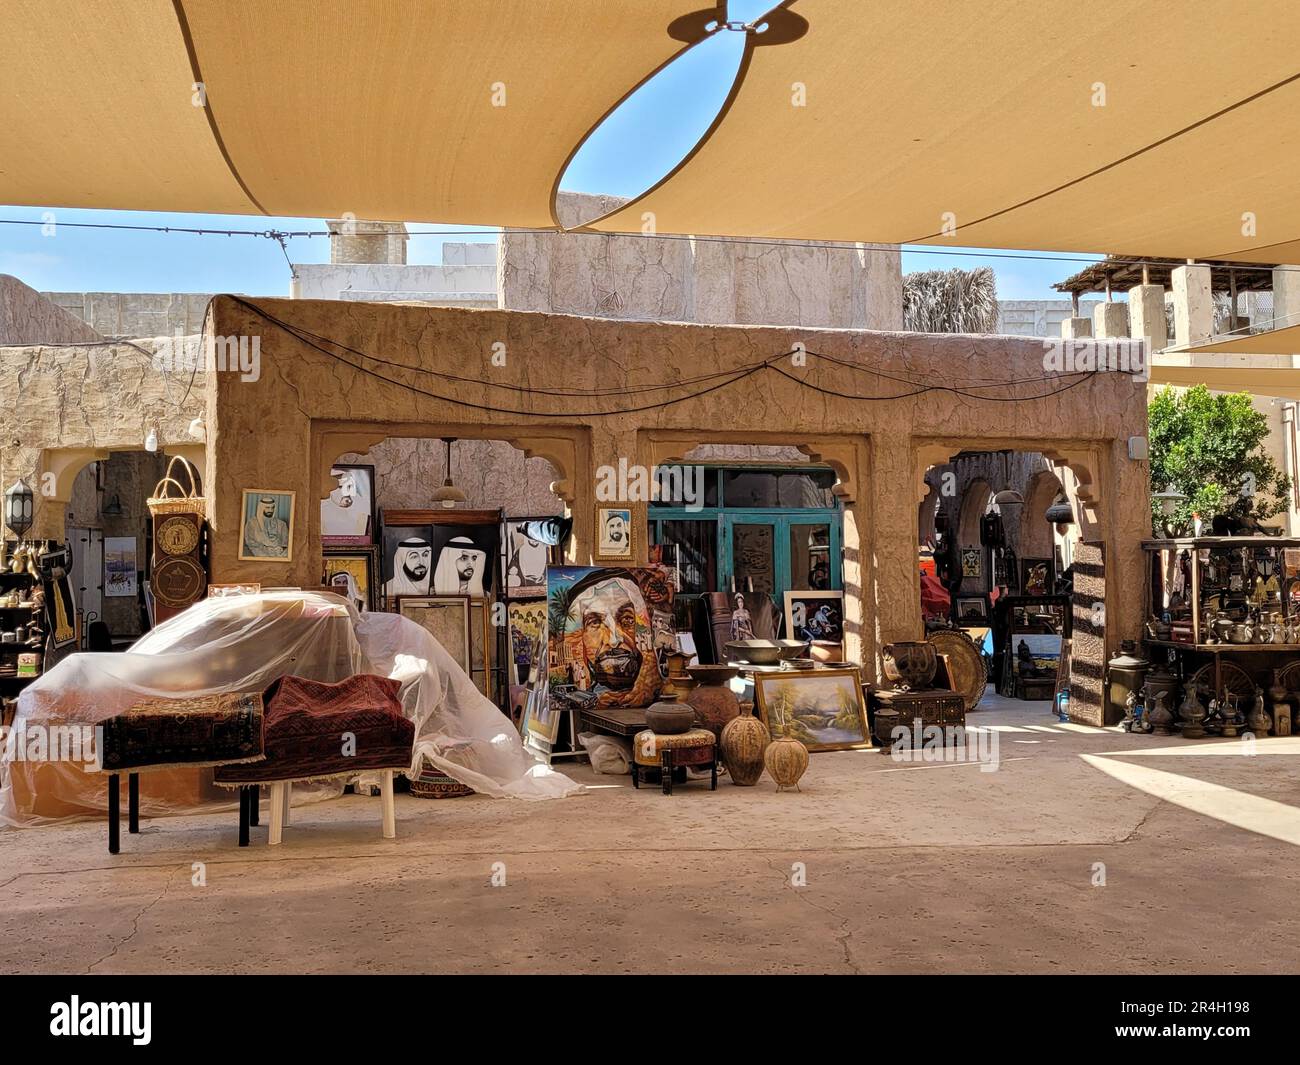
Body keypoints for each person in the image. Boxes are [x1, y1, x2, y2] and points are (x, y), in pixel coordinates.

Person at [322, 467, 370, 538]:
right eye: (340, 487)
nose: (345, 492)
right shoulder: (319, 510)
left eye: (348, 486)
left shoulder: (364, 507)